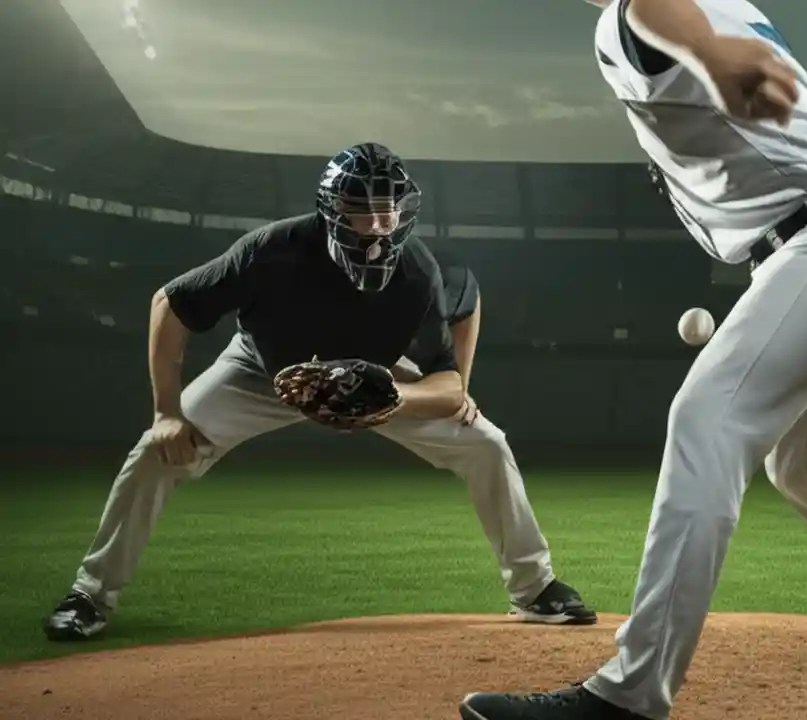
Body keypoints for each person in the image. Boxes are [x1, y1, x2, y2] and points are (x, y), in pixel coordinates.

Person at [459, 2, 807, 719]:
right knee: (806, 470)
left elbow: (654, 6)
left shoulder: (650, 15)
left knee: (706, 419)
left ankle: (630, 693)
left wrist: (711, 51)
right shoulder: (729, 8)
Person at [41, 142, 596, 642]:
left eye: (390, 208)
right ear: (331, 208)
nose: (379, 224)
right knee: (155, 453)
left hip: (370, 376)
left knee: (487, 445)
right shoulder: (271, 250)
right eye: (362, 207)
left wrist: (391, 399)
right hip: (260, 373)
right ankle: (91, 594)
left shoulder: (417, 273)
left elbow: (449, 379)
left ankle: (535, 589)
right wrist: (166, 411)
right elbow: (171, 303)